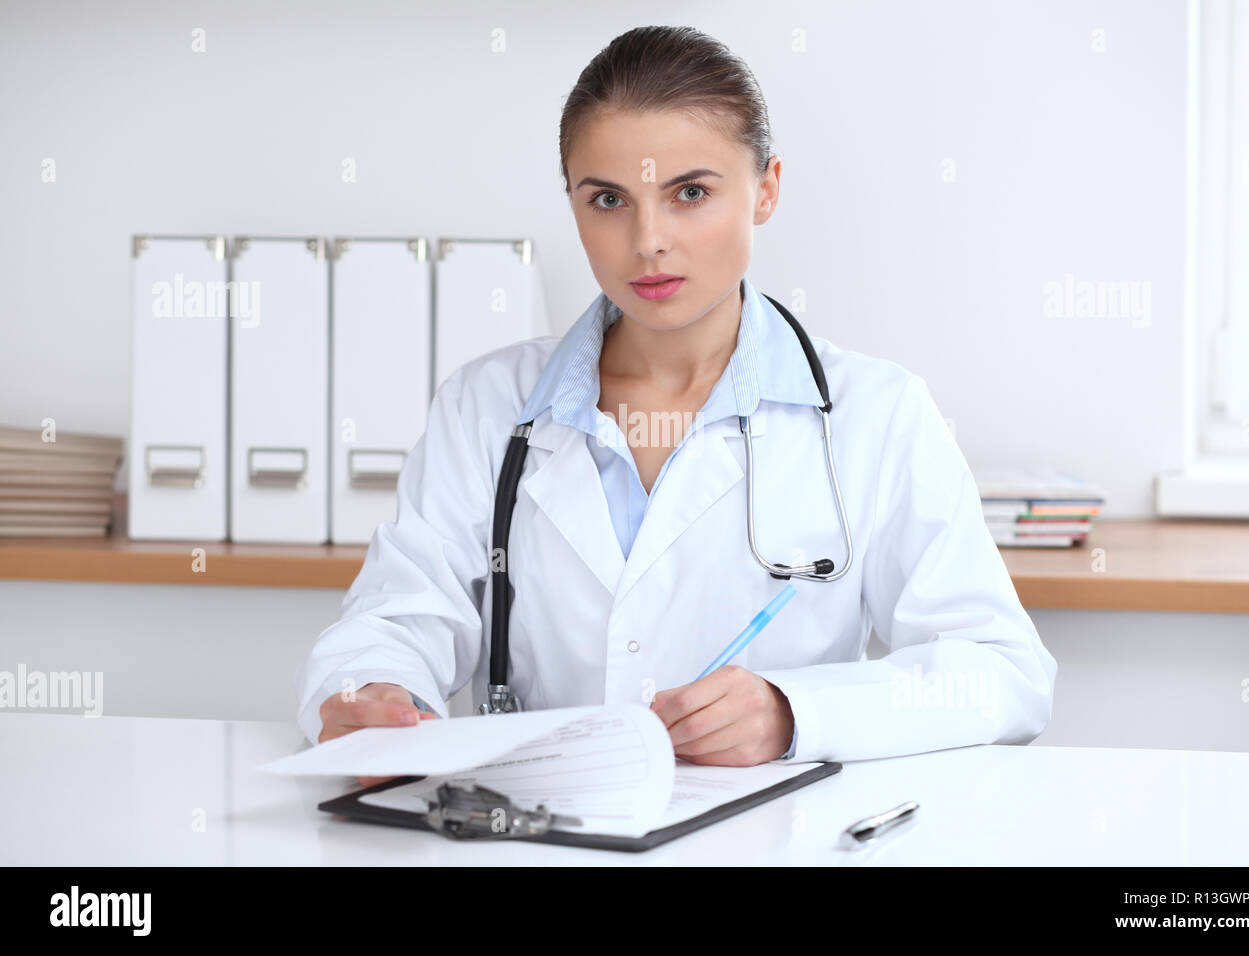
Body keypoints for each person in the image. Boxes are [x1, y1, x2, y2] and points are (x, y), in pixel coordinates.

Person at [294, 25, 1057, 787]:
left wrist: (796, 713)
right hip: (539, 837)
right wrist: (369, 697)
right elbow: (394, 623)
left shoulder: (876, 414)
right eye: (608, 200)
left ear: (766, 188)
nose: (647, 241)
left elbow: (999, 671)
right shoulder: (485, 407)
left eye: (690, 192)